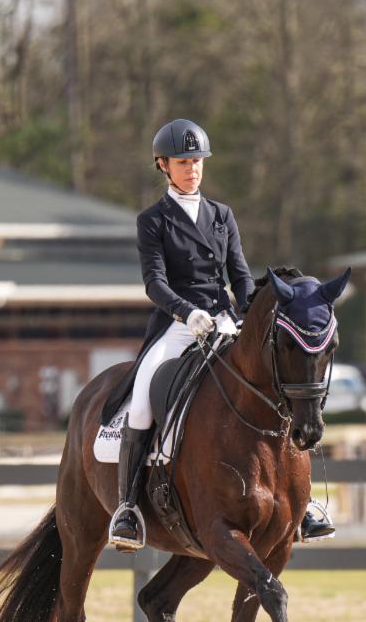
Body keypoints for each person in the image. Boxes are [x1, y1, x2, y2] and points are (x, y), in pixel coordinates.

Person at [108, 118, 335, 550]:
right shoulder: (152, 220)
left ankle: (302, 505)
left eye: (197, 161)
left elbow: (241, 276)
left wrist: (249, 314)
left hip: (225, 321)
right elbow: (155, 282)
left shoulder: (221, 215)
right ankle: (127, 510)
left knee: (277, 384)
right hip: (178, 326)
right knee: (140, 401)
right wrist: (186, 311)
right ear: (163, 165)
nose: (192, 169)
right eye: (182, 161)